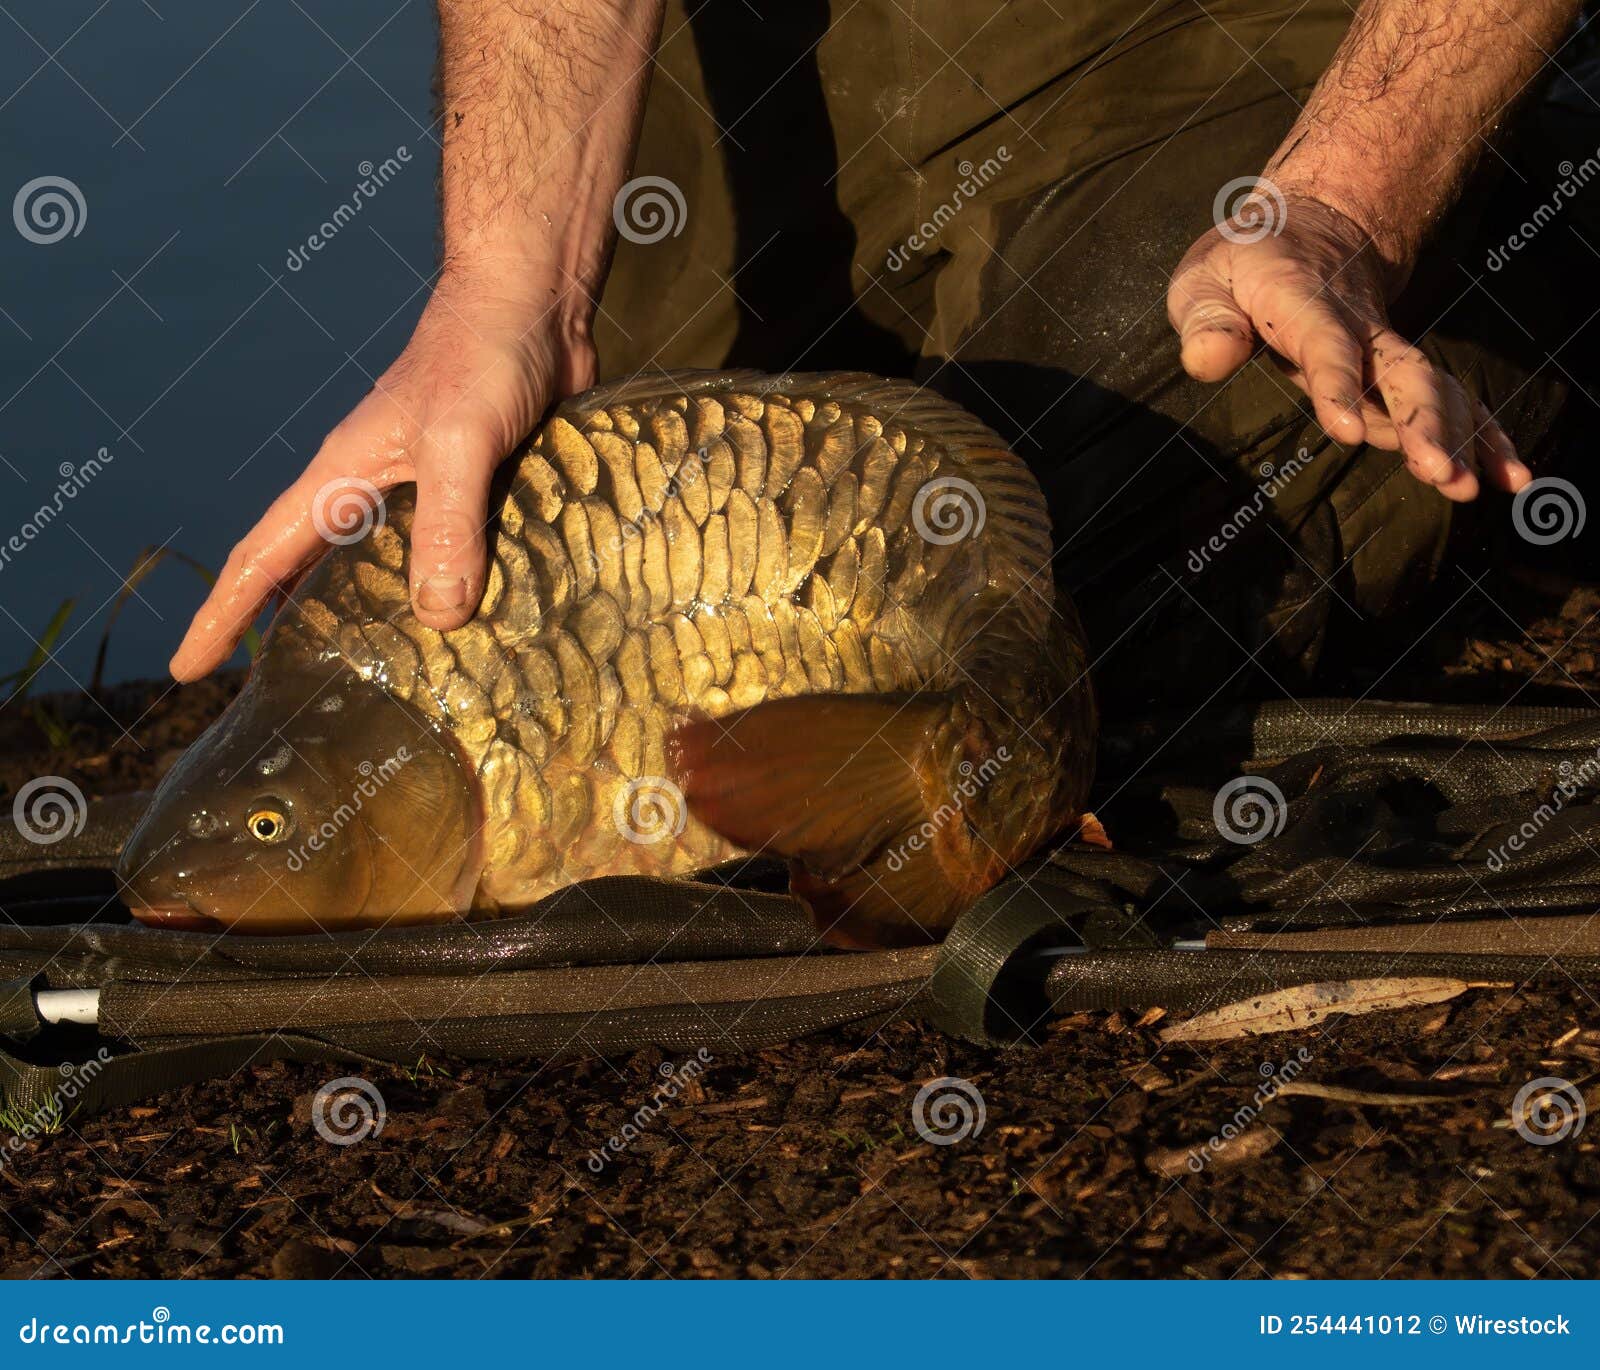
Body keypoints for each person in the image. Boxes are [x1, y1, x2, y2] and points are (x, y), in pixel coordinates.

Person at [170, 0, 1585, 708]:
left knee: (1028, 606)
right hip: (817, 42)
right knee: (591, 577)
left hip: (1257, 35)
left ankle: (1515, 207)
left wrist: (1346, 203)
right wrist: (510, 284)